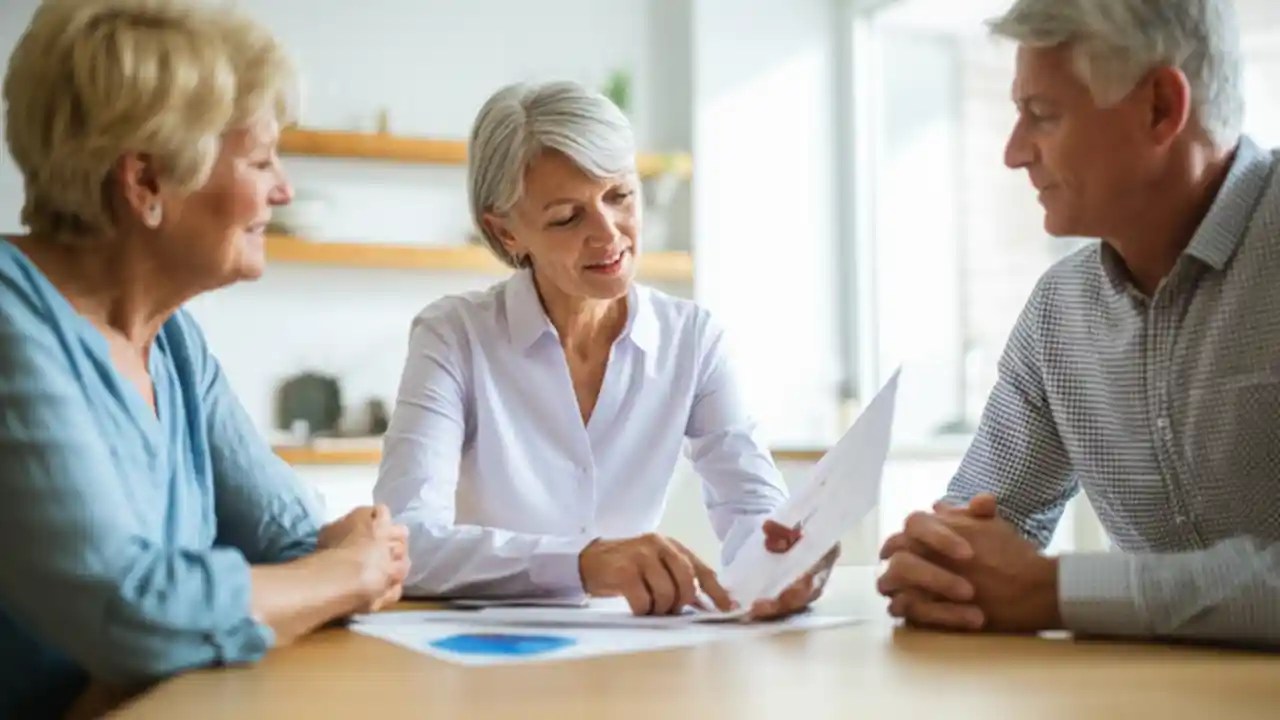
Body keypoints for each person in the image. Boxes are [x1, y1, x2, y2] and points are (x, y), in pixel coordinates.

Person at [0, 1, 410, 715]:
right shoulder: (12, 325)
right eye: (259, 160)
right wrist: (343, 573)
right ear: (146, 182)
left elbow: (294, 541)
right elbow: (132, 614)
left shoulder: (175, 342)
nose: (282, 191)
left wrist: (337, 564)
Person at [876, 0, 1280, 647]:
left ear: (1160, 109)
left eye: (1041, 115)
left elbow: (1029, 588)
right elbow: (972, 547)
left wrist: (1057, 591)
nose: (1013, 153)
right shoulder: (1058, 314)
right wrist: (936, 565)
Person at [374, 80, 836, 618]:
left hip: (634, 654)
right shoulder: (453, 336)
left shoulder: (692, 338)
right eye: (567, 217)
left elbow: (752, 506)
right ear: (506, 234)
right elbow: (405, 542)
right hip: (488, 661)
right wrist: (583, 563)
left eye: (620, 196)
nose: (608, 234)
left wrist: (783, 564)